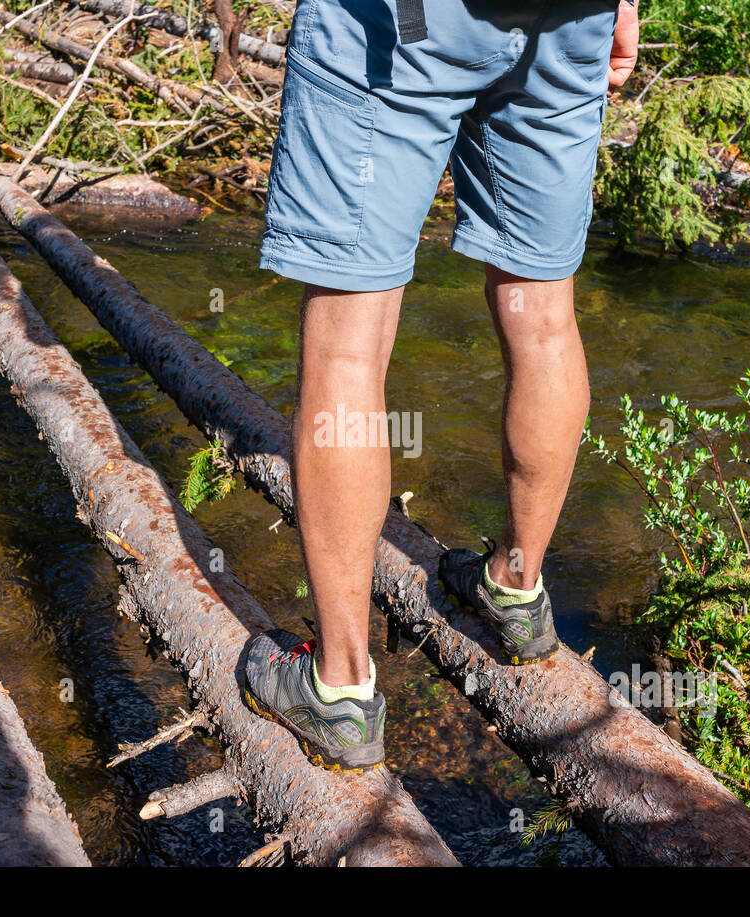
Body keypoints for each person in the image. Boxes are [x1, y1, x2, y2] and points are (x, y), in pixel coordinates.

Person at [243, 0, 640, 772]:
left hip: (405, 19)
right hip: (569, 17)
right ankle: (517, 589)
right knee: (544, 316)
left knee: (348, 347)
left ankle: (341, 687)